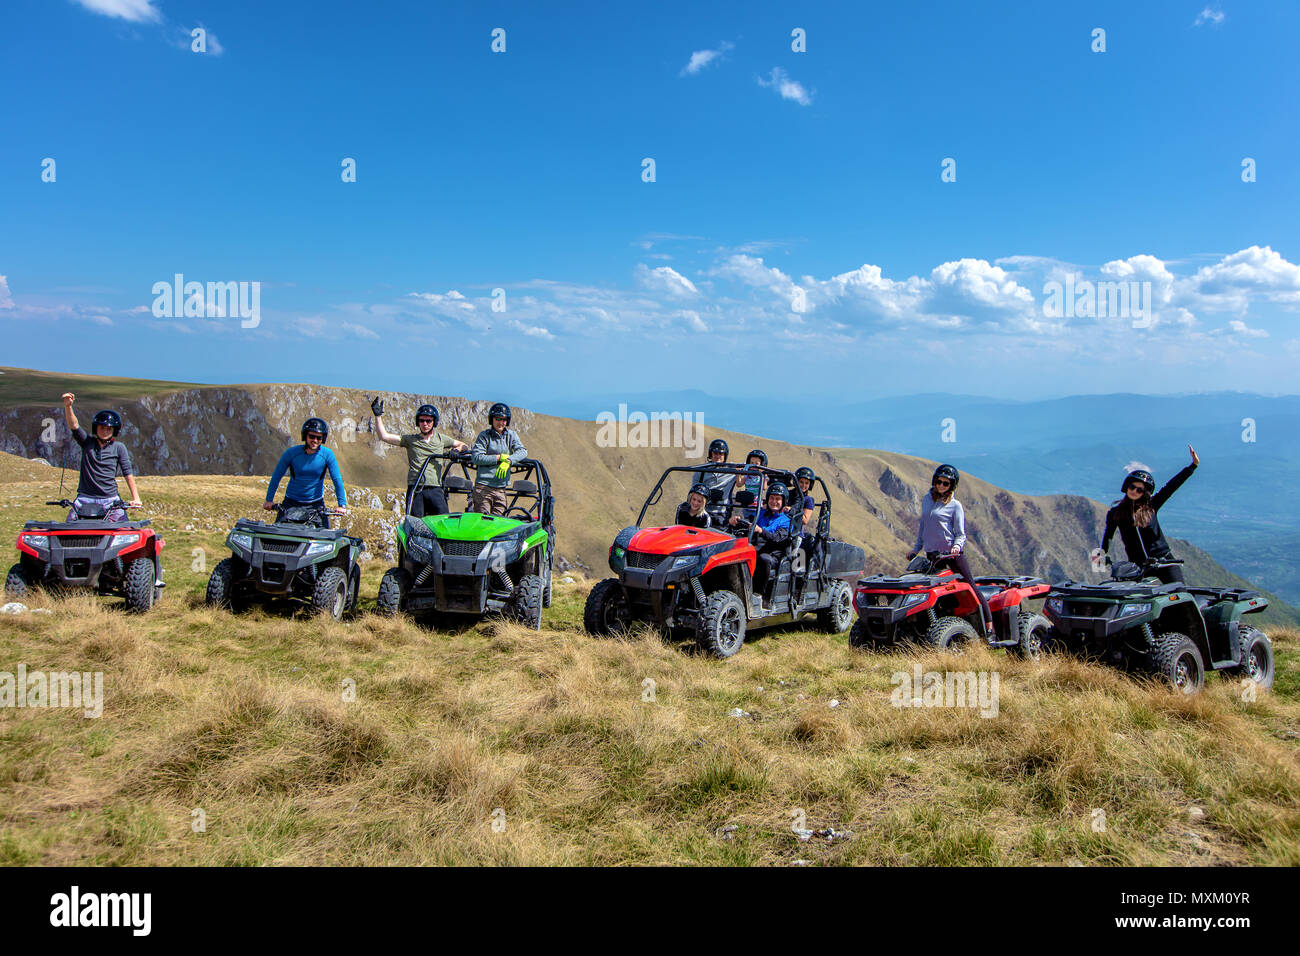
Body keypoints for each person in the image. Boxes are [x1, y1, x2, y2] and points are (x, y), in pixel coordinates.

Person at [907, 464, 993, 635]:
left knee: (970, 586)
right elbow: (923, 526)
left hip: (951, 556)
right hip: (933, 556)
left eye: (945, 483)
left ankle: (989, 626)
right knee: (932, 592)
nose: (941, 485)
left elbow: (961, 534)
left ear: (952, 485)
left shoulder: (955, 505)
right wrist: (916, 549)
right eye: (938, 481)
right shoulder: (927, 500)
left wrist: (956, 547)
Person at [1095, 446, 1199, 584]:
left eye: (1140, 490)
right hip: (1137, 566)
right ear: (1126, 487)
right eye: (1132, 487)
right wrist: (1102, 555)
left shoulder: (1151, 506)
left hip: (1164, 562)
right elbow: (1108, 536)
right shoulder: (1115, 513)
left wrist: (1192, 466)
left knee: (1180, 592)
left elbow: (1171, 487)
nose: (1134, 491)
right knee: (1131, 596)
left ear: (1145, 493)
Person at [372, 398, 468, 517]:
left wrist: (456, 451)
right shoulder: (410, 440)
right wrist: (378, 416)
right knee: (415, 522)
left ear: (434, 422)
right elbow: (384, 436)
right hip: (416, 488)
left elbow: (464, 445)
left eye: (428, 421)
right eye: (422, 420)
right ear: (418, 422)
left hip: (435, 488)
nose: (425, 424)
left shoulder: (441, 439)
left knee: (444, 520)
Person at [60, 392, 139, 522]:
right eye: (101, 428)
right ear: (95, 428)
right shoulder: (87, 442)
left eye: (109, 428)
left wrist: (136, 498)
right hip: (84, 499)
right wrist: (68, 406)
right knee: (69, 528)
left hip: (110, 500)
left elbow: (128, 473)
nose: (105, 431)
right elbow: (74, 426)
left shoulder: (119, 448)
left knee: (124, 528)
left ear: (114, 430)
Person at [264, 418, 349, 528]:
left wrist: (342, 505)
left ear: (323, 438)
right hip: (290, 504)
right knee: (278, 533)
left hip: (315, 505)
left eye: (319, 438)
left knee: (324, 535)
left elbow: (337, 480)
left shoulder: (327, 455)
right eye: (311, 436)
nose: (315, 440)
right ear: (305, 436)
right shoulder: (291, 453)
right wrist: (269, 500)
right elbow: (276, 477)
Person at [470, 402, 527, 516]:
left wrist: (509, 461)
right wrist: (498, 458)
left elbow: (523, 451)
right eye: (498, 419)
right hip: (483, 487)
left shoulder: (511, 435)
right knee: (483, 521)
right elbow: (476, 457)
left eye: (504, 419)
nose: (501, 422)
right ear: (492, 419)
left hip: (501, 488)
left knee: (500, 522)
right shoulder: (484, 436)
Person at [751, 481, 793, 604]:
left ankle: (759, 594)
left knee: (763, 559)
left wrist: (761, 530)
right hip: (755, 547)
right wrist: (736, 522)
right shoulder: (761, 513)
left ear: (783, 501)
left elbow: (776, 538)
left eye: (778, 499)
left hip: (772, 552)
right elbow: (749, 523)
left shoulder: (785, 521)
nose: (774, 501)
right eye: (772, 498)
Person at [790, 466, 819, 571]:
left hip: (796, 532)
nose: (803, 485)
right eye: (801, 482)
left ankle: (796, 573)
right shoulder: (788, 494)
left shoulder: (808, 500)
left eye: (806, 483)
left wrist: (792, 510)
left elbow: (805, 520)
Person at [730, 448, 768, 529]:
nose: (753, 466)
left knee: (755, 523)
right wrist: (738, 473)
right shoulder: (747, 475)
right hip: (747, 505)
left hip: (757, 506)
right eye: (752, 463)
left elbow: (764, 488)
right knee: (745, 523)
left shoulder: (761, 476)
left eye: (756, 464)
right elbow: (739, 484)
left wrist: (764, 475)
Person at [700, 438, 734, 523]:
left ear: (725, 455)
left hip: (721, 513)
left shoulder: (732, 472)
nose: (718, 456)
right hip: (703, 511)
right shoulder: (701, 471)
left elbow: (751, 466)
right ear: (710, 454)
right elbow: (694, 491)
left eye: (721, 454)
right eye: (715, 453)